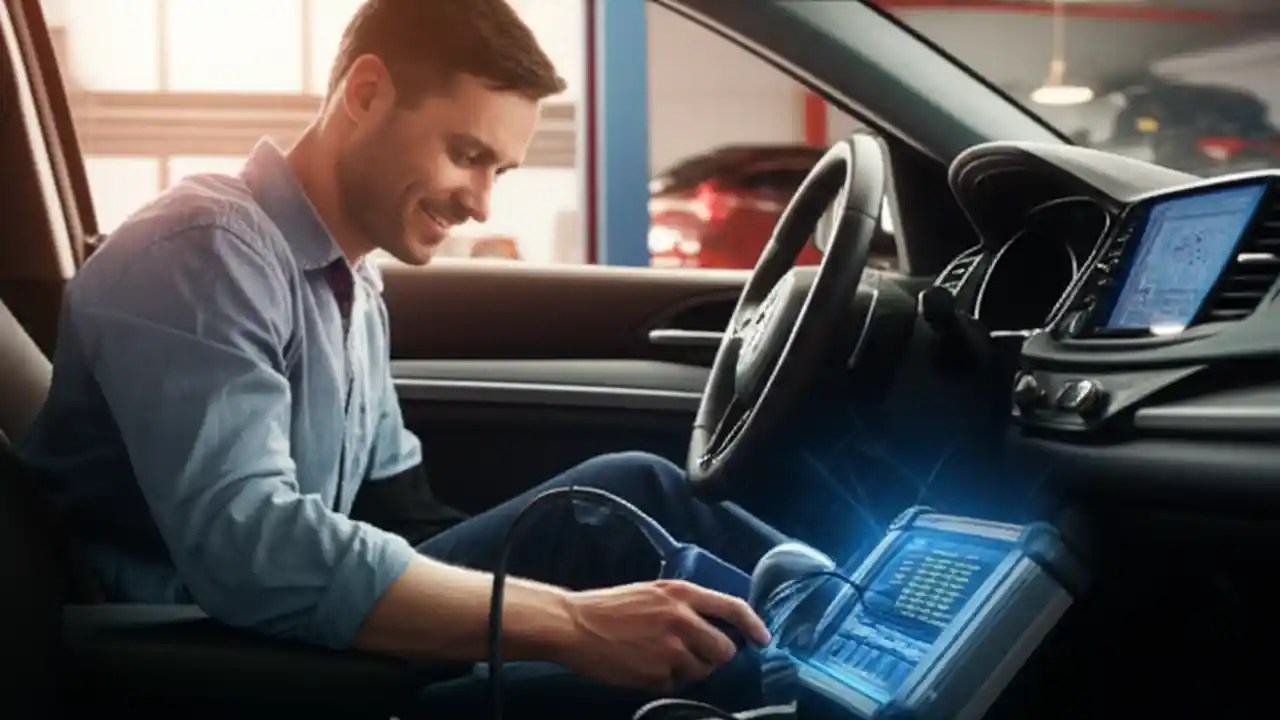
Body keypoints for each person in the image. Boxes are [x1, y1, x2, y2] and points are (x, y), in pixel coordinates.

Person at [16, 0, 778, 716]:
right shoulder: (203, 252)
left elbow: (400, 511)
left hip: (288, 631)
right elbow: (252, 549)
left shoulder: (352, 284)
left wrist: (552, 608)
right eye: (467, 154)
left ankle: (846, 634)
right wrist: (572, 624)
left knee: (624, 507)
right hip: (201, 657)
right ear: (367, 93)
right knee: (633, 581)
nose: (481, 203)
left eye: (499, 172)